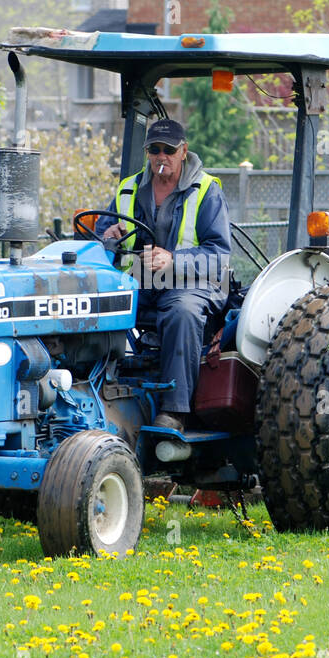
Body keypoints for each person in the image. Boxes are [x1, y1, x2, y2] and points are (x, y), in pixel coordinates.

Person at [95, 118, 231, 432]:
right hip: (142, 282)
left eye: (168, 150)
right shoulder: (129, 188)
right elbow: (102, 231)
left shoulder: (207, 192)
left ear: (183, 151)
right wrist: (109, 236)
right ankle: (99, 393)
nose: (161, 156)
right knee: (98, 301)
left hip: (196, 283)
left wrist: (173, 260)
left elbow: (219, 255)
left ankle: (175, 411)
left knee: (181, 312)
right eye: (154, 150)